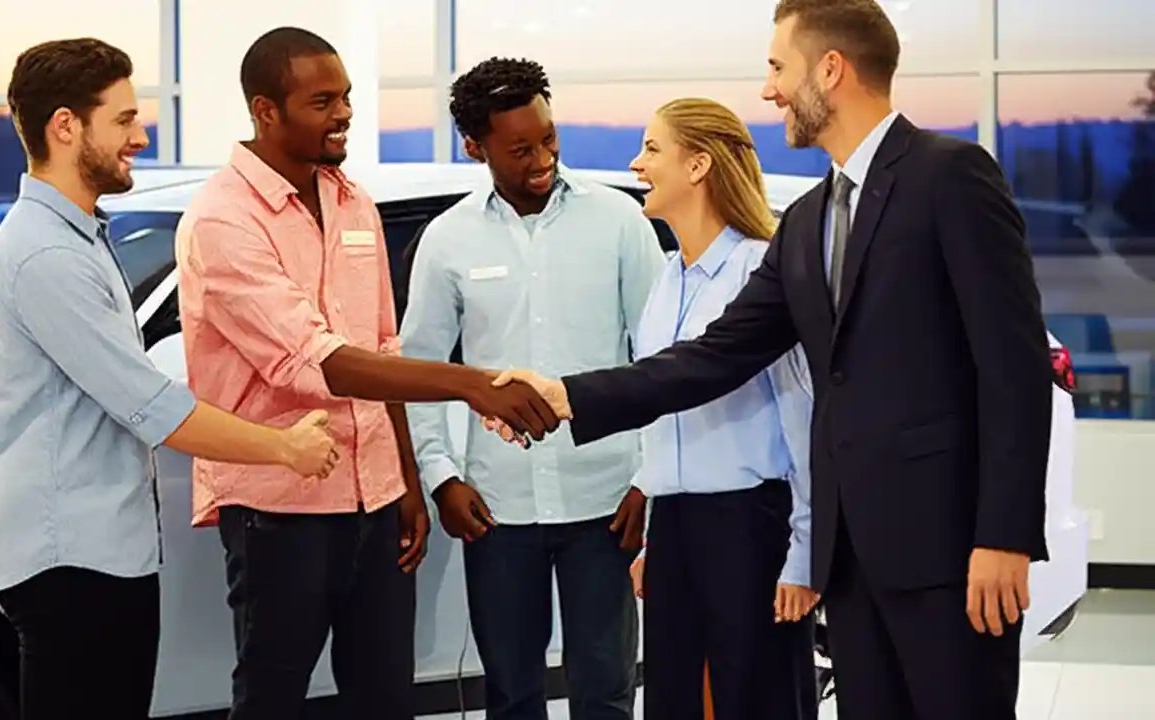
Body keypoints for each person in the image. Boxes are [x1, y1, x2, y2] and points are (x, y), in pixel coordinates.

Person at [493, 1, 1054, 718]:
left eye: (777, 67)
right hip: (852, 561)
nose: (768, 90)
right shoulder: (810, 221)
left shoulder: (951, 176)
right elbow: (713, 356)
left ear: (831, 69)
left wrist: (1003, 535)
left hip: (945, 551)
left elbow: (1013, 366)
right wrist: (566, 395)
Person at [172, 30, 558, 720]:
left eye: (345, 96)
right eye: (323, 101)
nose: (343, 112)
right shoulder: (220, 218)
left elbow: (380, 347)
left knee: (385, 700)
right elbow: (316, 360)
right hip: (277, 507)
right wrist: (471, 383)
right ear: (266, 110)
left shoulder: (353, 202)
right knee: (271, 700)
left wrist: (406, 482)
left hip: (374, 502)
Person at [0, 38, 342, 720]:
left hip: (99, 555)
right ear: (65, 127)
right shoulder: (48, 255)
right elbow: (150, 405)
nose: (140, 136)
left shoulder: (77, 236)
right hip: (72, 563)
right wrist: (284, 448)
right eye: (122, 119)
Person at [398, 57, 665, 719]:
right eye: (520, 149)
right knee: (511, 694)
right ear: (474, 146)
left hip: (606, 501)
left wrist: (649, 478)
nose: (542, 158)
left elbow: (664, 361)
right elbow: (421, 368)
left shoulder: (619, 222)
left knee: (605, 691)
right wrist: (440, 479)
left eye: (549, 139)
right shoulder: (446, 240)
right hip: (497, 510)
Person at [623, 97, 819, 719]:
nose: (637, 163)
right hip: (680, 524)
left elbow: (803, 414)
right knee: (675, 701)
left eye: (653, 149)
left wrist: (806, 551)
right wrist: (661, 531)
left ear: (700, 164)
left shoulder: (757, 269)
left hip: (751, 525)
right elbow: (663, 412)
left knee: (757, 699)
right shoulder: (666, 276)